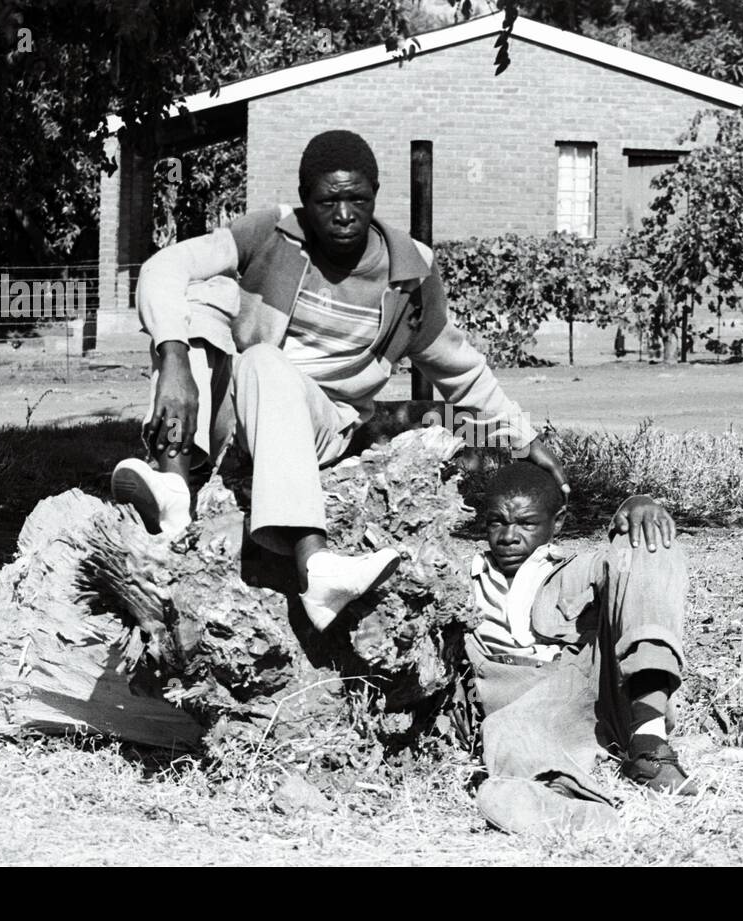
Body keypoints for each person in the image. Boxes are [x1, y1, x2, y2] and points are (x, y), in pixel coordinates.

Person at [110, 130, 567, 632]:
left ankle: (315, 563)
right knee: (201, 300)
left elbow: (460, 368)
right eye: (329, 201)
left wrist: (522, 437)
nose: (345, 215)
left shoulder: (409, 273)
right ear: (306, 201)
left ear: (376, 193)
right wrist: (174, 359)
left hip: (323, 426)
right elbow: (163, 267)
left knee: (264, 361)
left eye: (359, 200)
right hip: (238, 414)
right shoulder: (270, 234)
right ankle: (173, 485)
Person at [463, 461, 694, 833]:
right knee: (511, 735)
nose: (508, 536)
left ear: (557, 523)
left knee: (645, 543)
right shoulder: (464, 579)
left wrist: (637, 502)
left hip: (588, 687)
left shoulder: (571, 571)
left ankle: (649, 743)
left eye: (526, 523)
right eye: (497, 522)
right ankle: (569, 810)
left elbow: (623, 563)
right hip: (522, 706)